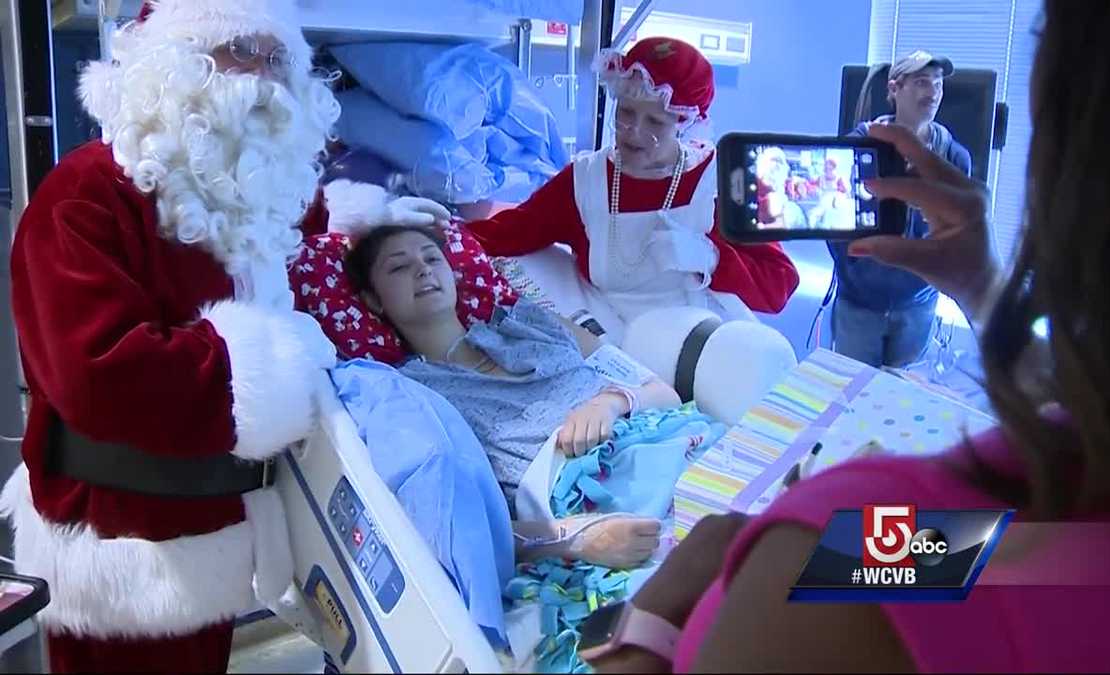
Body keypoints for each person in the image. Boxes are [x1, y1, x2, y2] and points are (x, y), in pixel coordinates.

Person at [583, 3, 1110, 671]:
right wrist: (986, 287)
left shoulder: (853, 553)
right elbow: (1063, 557)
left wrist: (652, 616)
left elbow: (946, 556)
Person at [0, 1, 444, 672]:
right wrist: (282, 360)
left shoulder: (240, 181)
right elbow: (103, 377)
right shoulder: (83, 195)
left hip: (222, 524)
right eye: (240, 49)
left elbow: (294, 221)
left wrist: (373, 218)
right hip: (125, 548)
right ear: (173, 63)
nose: (264, 78)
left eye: (278, 59)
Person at [344, 223, 687, 568]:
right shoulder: (411, 394)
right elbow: (458, 528)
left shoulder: (536, 323)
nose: (423, 269)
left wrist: (610, 402)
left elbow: (663, 393)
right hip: (612, 508)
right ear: (372, 300)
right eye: (399, 266)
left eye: (433, 257)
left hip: (679, 445)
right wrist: (574, 537)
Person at [464, 37, 799, 346]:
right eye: (625, 113)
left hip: (712, 349)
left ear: (685, 124)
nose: (634, 133)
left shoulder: (721, 182)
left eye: (655, 122)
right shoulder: (585, 180)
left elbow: (778, 286)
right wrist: (430, 229)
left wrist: (710, 258)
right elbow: (507, 234)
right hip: (620, 349)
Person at [827, 50, 972, 368]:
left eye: (938, 84)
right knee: (850, 395)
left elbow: (956, 233)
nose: (933, 92)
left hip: (917, 307)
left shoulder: (954, 159)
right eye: (922, 82)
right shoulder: (856, 147)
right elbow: (833, 223)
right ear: (894, 89)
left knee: (902, 398)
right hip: (859, 305)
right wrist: (854, 273)